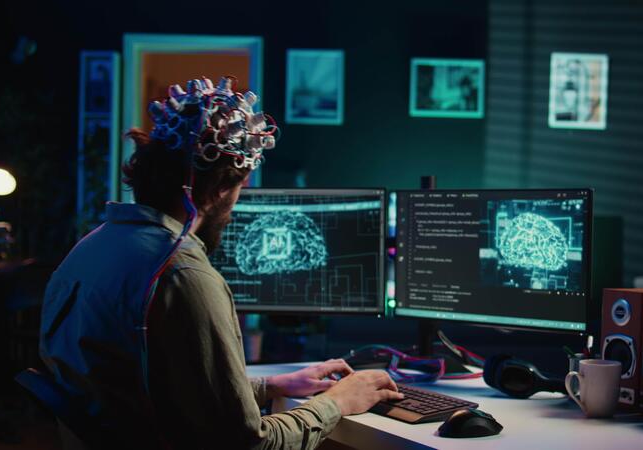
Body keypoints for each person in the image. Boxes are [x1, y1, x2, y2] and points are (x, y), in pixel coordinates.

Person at [39, 77, 403, 449]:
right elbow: (249, 444)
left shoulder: (90, 247)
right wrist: (336, 402)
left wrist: (273, 385)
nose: (234, 206)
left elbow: (146, 387)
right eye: (239, 189)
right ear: (217, 191)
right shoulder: (182, 275)